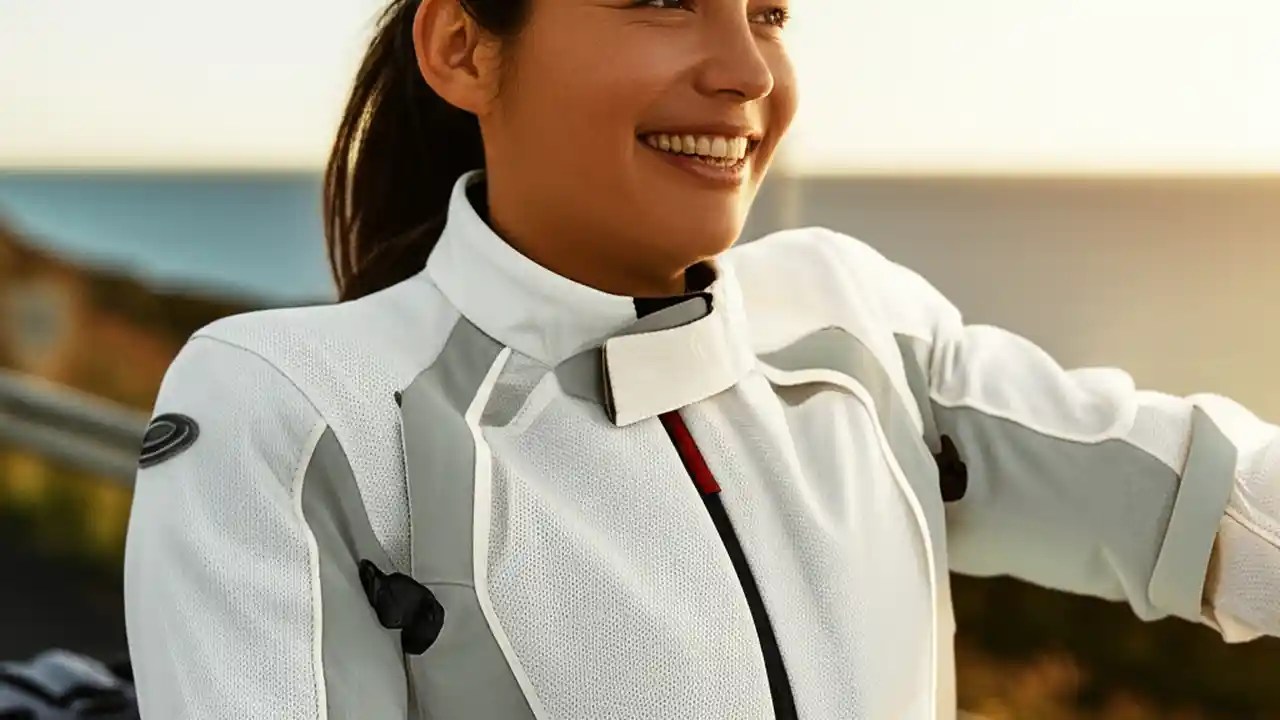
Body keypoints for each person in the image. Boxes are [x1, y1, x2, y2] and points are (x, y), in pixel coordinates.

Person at [121, 0, 1280, 718]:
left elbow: (1229, 514)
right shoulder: (289, 406)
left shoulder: (852, 328)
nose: (746, 73)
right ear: (463, 48)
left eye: (767, 12)